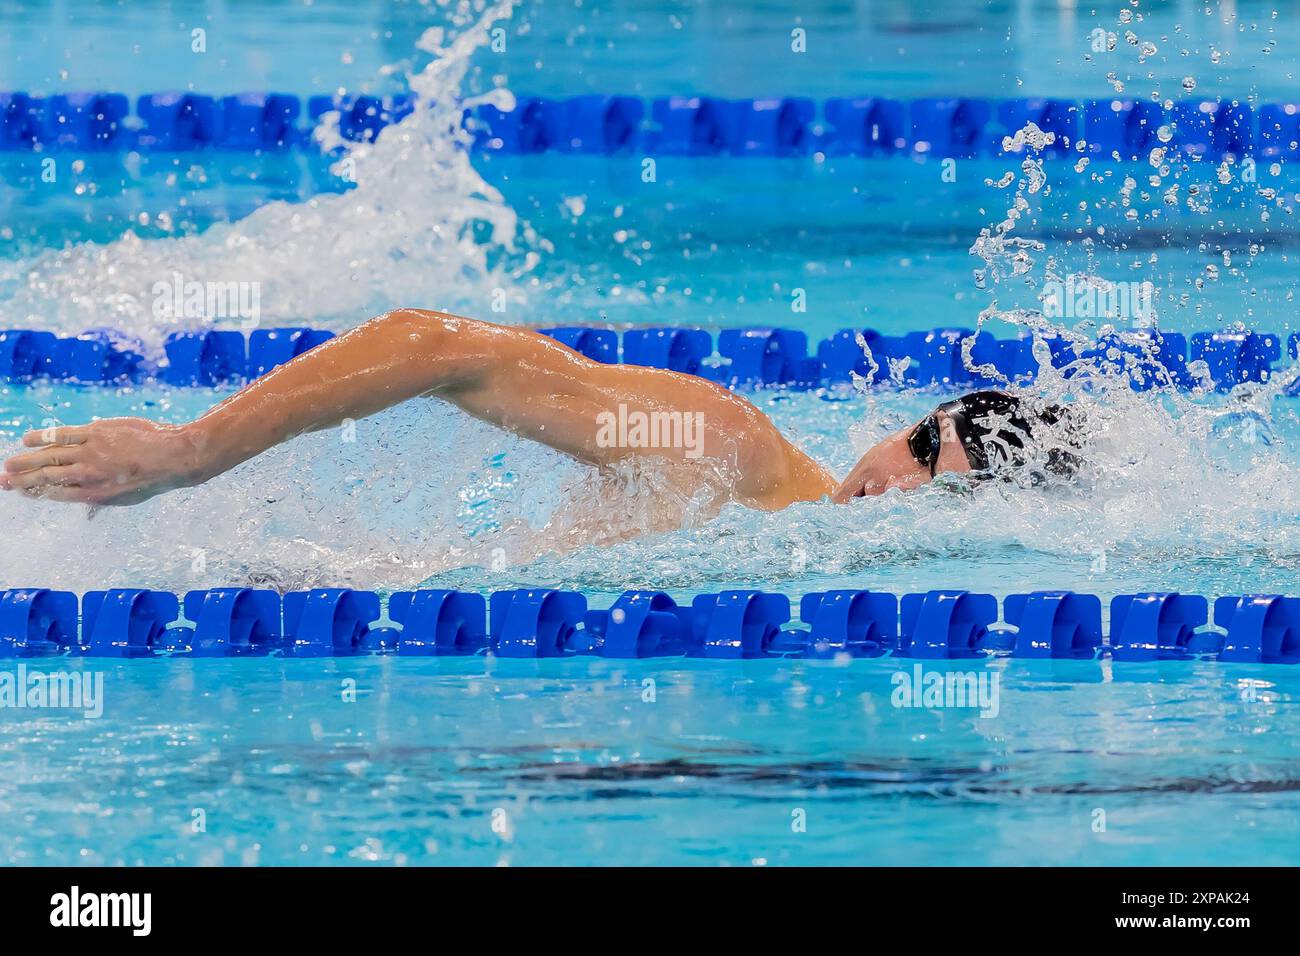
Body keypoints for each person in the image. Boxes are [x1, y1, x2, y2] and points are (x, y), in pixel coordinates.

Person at [0, 309, 1076, 509]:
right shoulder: (721, 451)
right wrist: (194, 450)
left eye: (940, 493)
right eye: (921, 442)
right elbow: (438, 346)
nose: (891, 480)